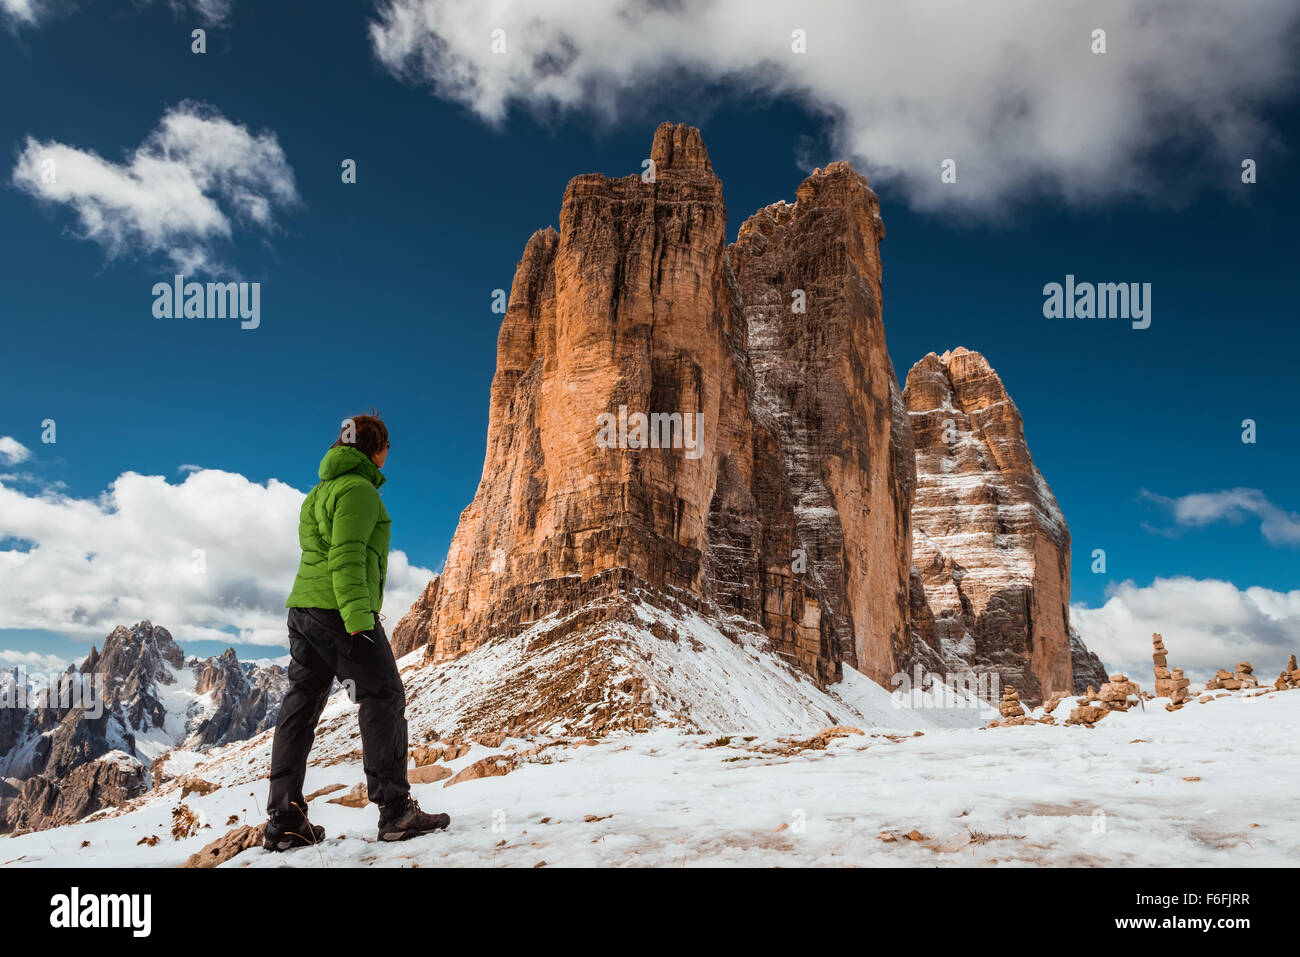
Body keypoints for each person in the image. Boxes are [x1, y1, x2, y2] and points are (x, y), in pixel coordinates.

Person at [265, 413, 449, 850]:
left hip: (303, 608)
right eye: (387, 447)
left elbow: (321, 552)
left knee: (301, 705)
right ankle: (396, 812)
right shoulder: (359, 489)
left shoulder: (318, 492)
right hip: (338, 610)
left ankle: (284, 821)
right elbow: (346, 556)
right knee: (383, 695)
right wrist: (359, 622)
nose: (389, 455)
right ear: (377, 449)